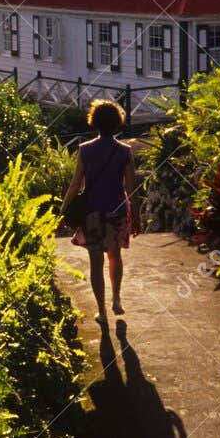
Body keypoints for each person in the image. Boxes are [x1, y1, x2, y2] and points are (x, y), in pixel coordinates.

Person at [61, 97, 141, 324]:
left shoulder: (85, 150)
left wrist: (63, 209)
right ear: (117, 123)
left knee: (96, 262)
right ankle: (116, 298)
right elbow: (131, 187)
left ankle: (102, 311)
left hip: (92, 213)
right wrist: (137, 216)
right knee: (115, 255)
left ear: (94, 122)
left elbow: (76, 184)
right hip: (117, 211)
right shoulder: (125, 151)